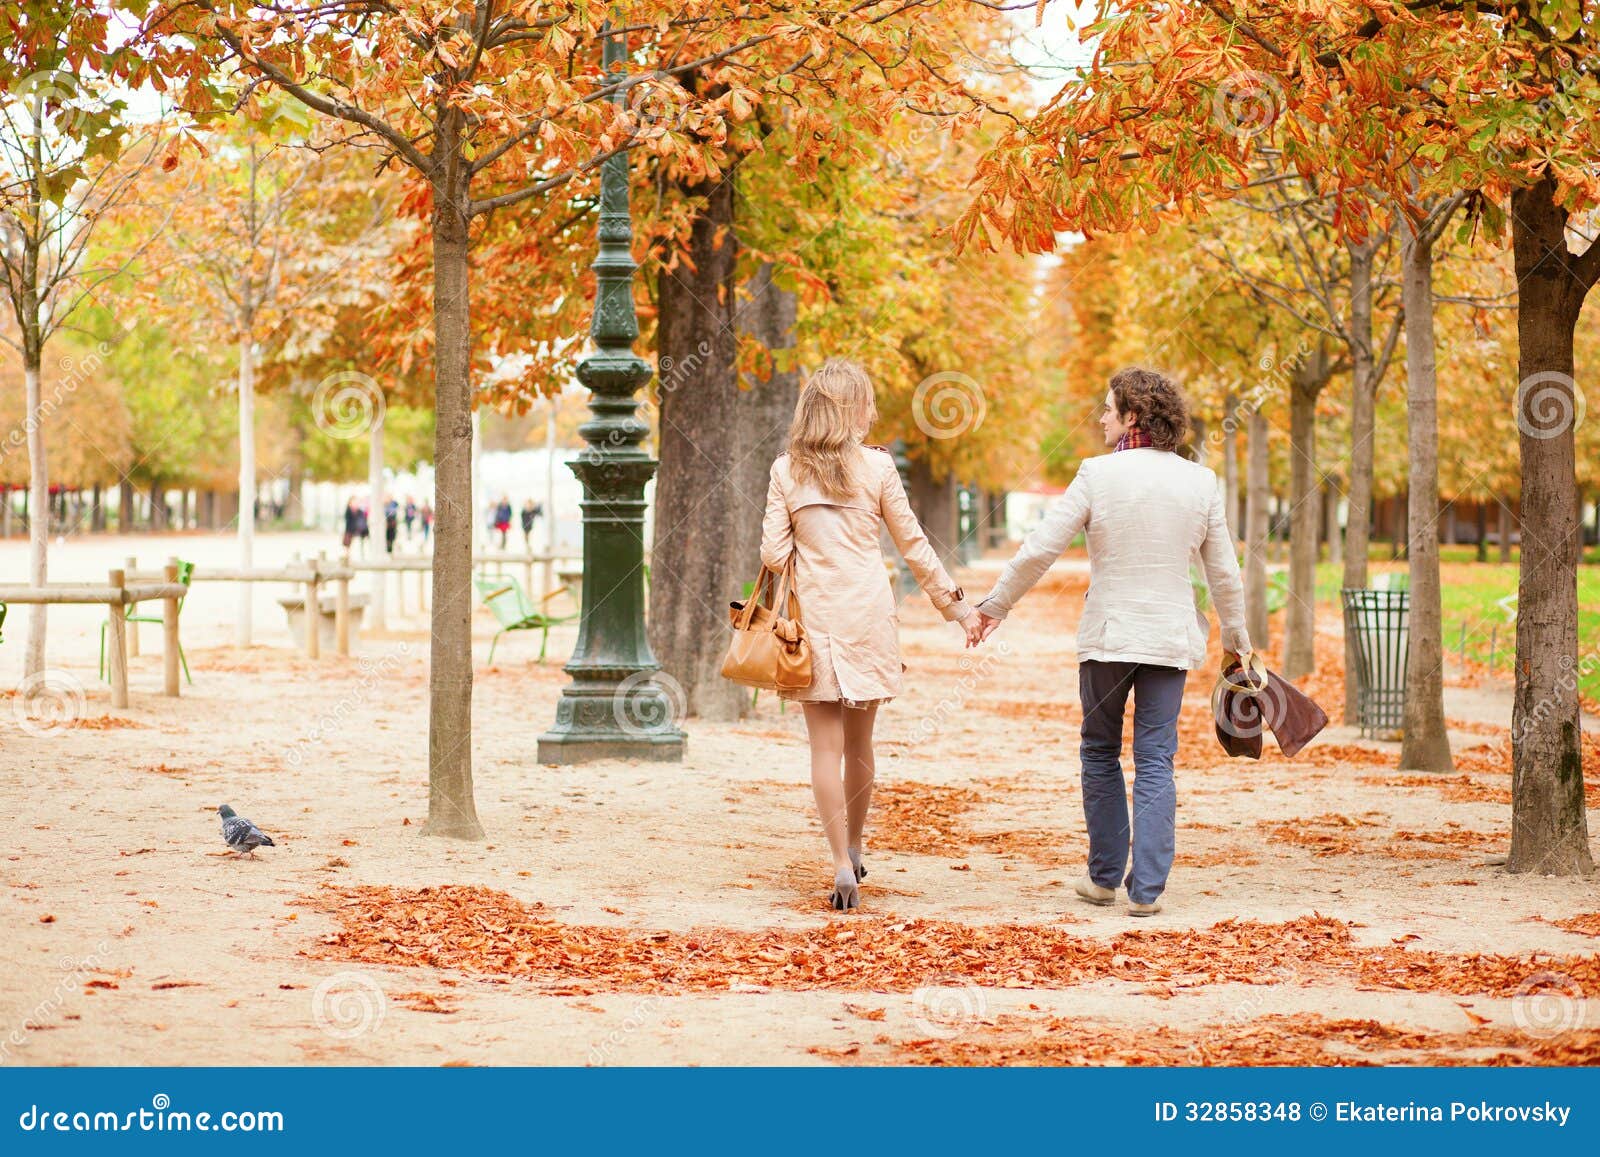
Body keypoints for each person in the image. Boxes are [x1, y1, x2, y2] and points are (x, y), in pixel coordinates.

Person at [972, 367, 1251, 917]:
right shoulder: (1201, 482)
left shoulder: (1097, 474)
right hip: (1168, 639)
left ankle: (1103, 878)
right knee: (1155, 758)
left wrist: (995, 605)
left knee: (1099, 750)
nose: (1100, 417)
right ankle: (1145, 890)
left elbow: (1039, 550)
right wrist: (1237, 642)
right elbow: (1225, 574)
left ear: (1132, 417)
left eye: (1108, 408)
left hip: (1107, 637)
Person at [760, 358, 981, 912]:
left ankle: (838, 863)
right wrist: (957, 609)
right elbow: (913, 545)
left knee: (823, 748)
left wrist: (803, 546)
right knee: (861, 744)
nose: (875, 412)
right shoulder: (878, 469)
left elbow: (771, 554)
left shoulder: (786, 470)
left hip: (812, 622)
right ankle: (858, 845)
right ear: (850, 409)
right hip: (868, 616)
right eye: (868, 403)